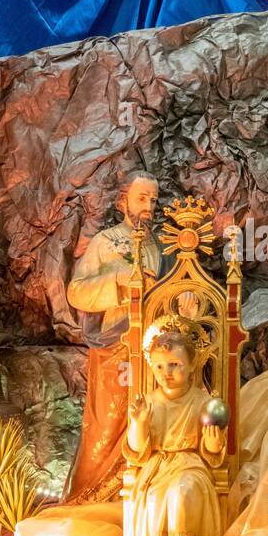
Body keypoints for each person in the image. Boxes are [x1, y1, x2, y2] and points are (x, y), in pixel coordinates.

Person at [65, 170, 163, 502]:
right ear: (123, 201)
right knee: (105, 427)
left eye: (153, 199)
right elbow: (76, 292)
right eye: (141, 198)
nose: (149, 206)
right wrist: (119, 280)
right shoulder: (106, 242)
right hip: (114, 350)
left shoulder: (159, 247)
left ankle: (136, 498)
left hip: (150, 350)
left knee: (148, 420)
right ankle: (89, 498)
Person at [123, 319, 225, 536]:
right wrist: (139, 424)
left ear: (192, 366)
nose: (166, 373)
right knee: (156, 496)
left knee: (181, 491)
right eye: (159, 366)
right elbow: (137, 453)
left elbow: (211, 450)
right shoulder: (146, 403)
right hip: (157, 467)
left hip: (190, 464)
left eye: (174, 365)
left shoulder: (203, 402)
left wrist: (212, 445)